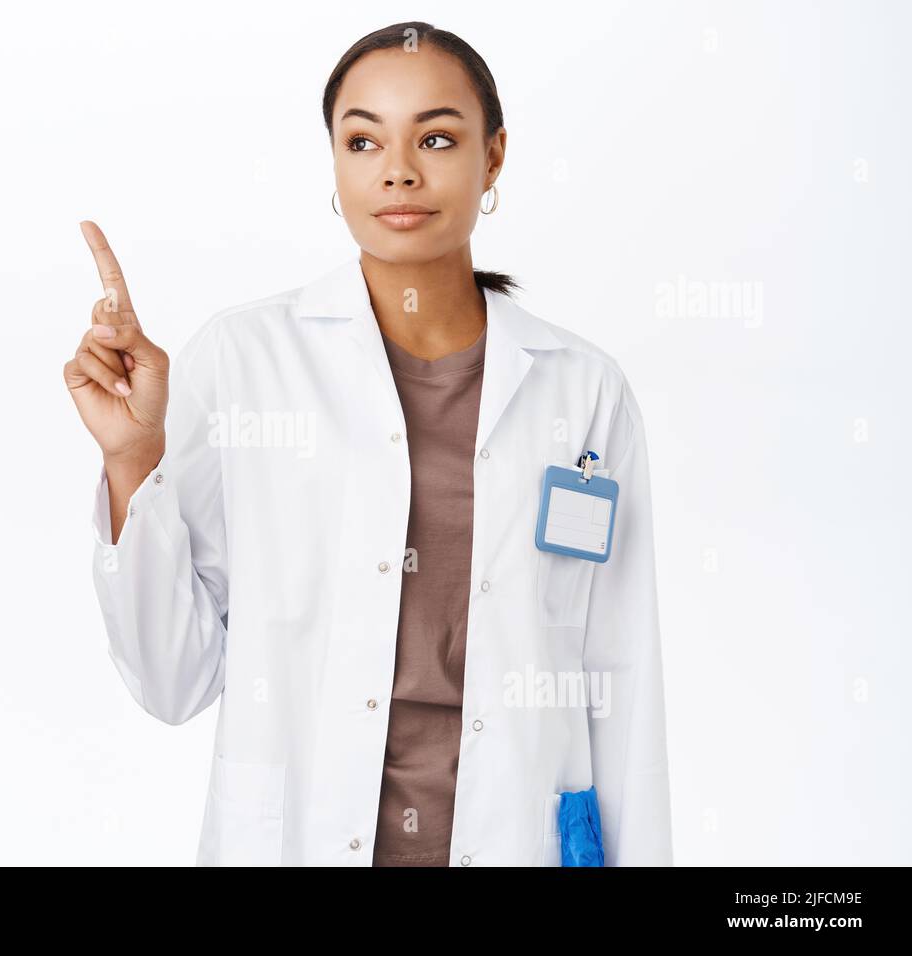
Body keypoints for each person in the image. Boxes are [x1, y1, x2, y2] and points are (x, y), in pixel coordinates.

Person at [64, 20, 673, 867]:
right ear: (335, 163)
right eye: (362, 139)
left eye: (436, 137)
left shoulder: (582, 390)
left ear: (493, 158)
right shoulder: (245, 362)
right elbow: (173, 681)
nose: (398, 169)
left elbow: (623, 682)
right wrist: (133, 460)